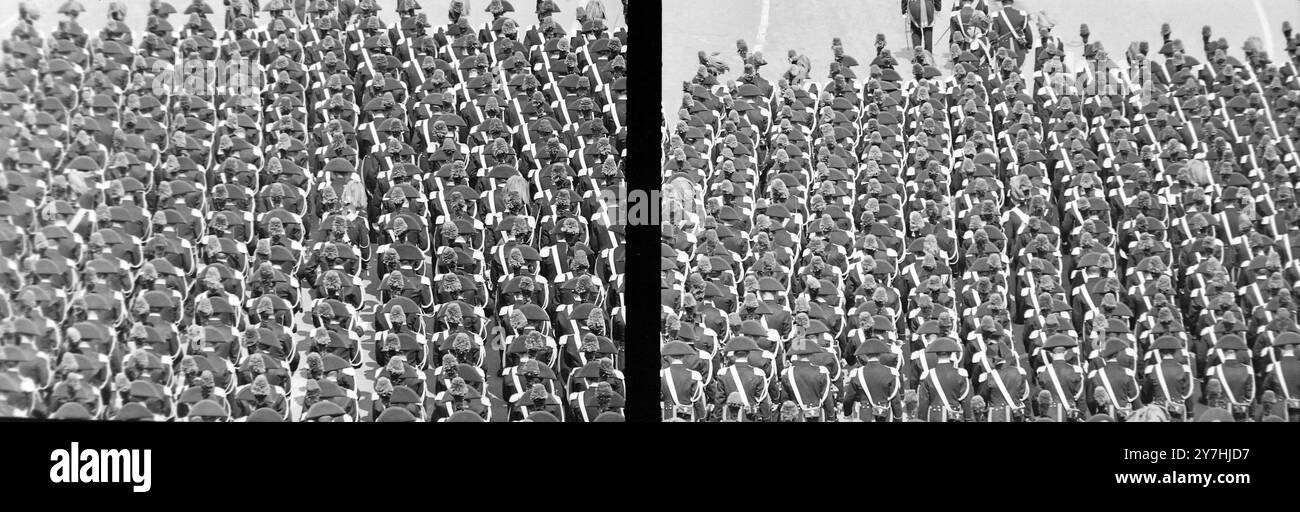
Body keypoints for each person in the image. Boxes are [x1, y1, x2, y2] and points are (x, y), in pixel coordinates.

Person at [841, 339, 903, 421]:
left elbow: (849, 398)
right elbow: (896, 401)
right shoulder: (890, 373)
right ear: (880, 355)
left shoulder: (857, 373)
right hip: (883, 413)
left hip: (865, 414)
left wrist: (847, 413)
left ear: (865, 356)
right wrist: (898, 417)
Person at [915, 337, 971, 421]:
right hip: (955, 416)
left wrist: (922, 419)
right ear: (951, 354)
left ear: (936, 354)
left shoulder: (927, 375)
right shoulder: (961, 374)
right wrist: (968, 419)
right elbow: (965, 400)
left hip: (935, 416)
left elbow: (923, 402)